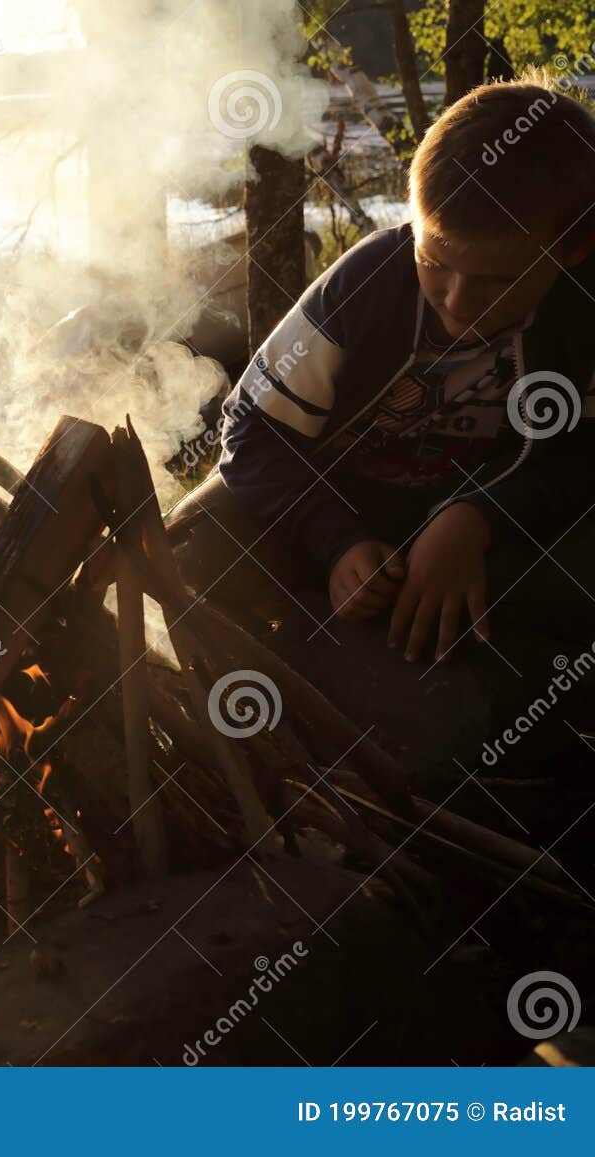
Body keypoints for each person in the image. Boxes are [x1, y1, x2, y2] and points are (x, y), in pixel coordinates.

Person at [171, 76, 595, 813]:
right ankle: (338, 672)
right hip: (323, 509)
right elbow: (253, 431)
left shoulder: (582, 312)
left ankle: (469, 694)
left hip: (469, 535)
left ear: (574, 247)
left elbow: (579, 460)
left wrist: (478, 516)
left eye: (493, 282)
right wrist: (336, 539)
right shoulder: (367, 285)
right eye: (436, 263)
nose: (455, 302)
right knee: (189, 545)